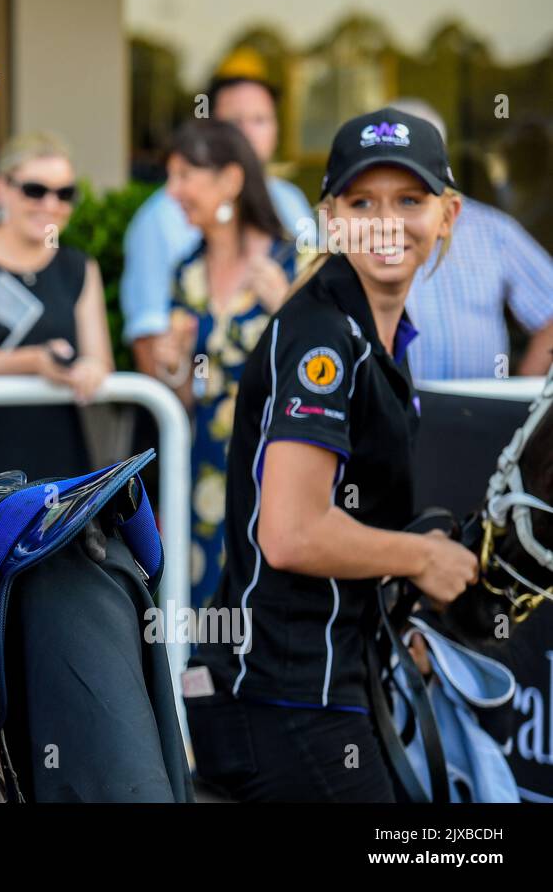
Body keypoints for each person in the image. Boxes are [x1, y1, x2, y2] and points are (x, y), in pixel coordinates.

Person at [183, 107, 479, 802]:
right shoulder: (322, 336)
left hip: (327, 681)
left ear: (449, 215)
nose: (386, 220)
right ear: (331, 217)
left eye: (410, 199)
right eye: (362, 201)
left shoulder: (376, 331)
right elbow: (292, 532)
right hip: (286, 696)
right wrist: (424, 559)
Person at [149, 119, 294, 608]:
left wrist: (289, 311)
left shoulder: (295, 263)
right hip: (205, 475)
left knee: (270, 604)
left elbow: (325, 371)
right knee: (205, 609)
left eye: (185, 175)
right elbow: (189, 395)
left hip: (276, 467)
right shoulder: (187, 272)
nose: (173, 192)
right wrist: (172, 368)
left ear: (230, 180)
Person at [0, 132, 114, 480]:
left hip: (61, 455)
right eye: (35, 190)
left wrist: (89, 370)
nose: (51, 204)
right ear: (1, 189)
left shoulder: (78, 266)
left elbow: (99, 359)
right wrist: (35, 362)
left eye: (65, 193)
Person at [122, 76, 312, 376]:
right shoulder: (181, 258)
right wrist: (174, 366)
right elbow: (155, 347)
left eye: (260, 120)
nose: (248, 133)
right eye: (236, 121)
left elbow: (328, 363)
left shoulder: (292, 214)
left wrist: (286, 311)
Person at [385, 99, 553, 380]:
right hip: (386, 415)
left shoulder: (492, 230)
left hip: (479, 412)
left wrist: (525, 398)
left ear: (440, 156)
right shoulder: (357, 230)